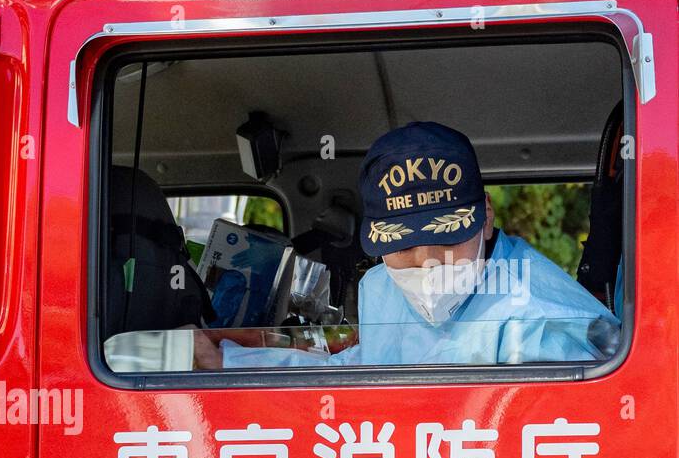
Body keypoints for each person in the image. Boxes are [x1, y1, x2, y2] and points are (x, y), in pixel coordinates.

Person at [209, 121, 619, 369]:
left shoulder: (548, 326)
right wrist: (226, 361)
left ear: (487, 216)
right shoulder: (382, 287)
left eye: (446, 239)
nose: (427, 266)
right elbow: (368, 366)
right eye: (404, 248)